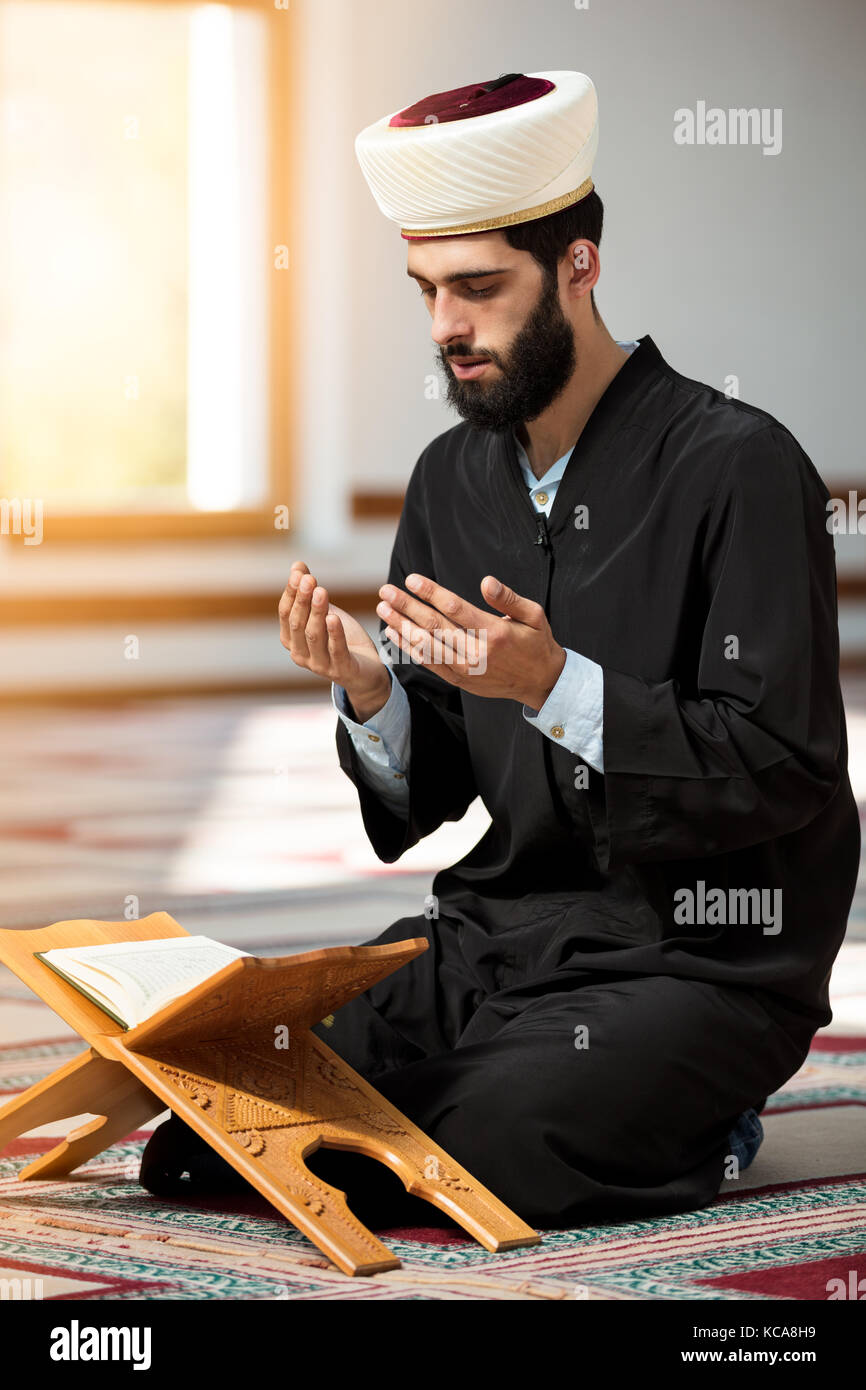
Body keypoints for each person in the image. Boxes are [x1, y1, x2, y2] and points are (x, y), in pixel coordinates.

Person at [140, 70, 860, 1230]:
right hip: (495, 942)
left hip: (689, 960)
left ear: (578, 265)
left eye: (477, 289)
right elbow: (439, 784)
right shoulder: (452, 477)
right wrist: (373, 695)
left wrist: (556, 687)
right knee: (209, 1112)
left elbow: (780, 766)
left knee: (491, 1145)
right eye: (426, 290)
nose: (445, 329)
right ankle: (503, 1099)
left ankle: (688, 1113)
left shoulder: (737, 468)